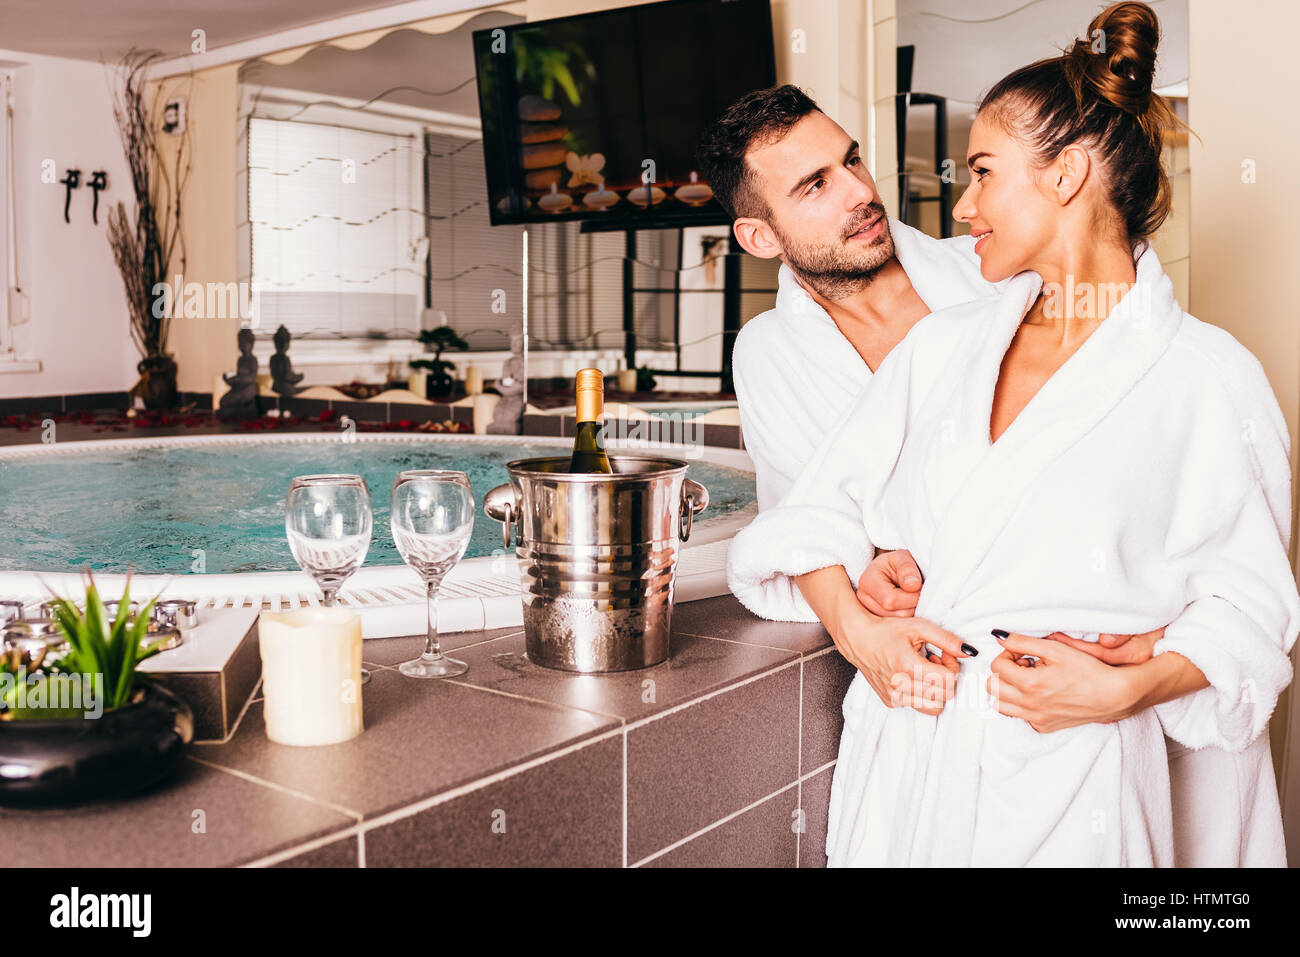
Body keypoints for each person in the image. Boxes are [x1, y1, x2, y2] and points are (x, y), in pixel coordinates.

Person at [726, 1, 1298, 865]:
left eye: (983, 172)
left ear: (1066, 177)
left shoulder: (1208, 376)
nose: (962, 206)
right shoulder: (946, 346)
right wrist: (863, 627)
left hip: (1074, 783)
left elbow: (1250, 608)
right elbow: (810, 518)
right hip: (911, 761)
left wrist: (1128, 687)